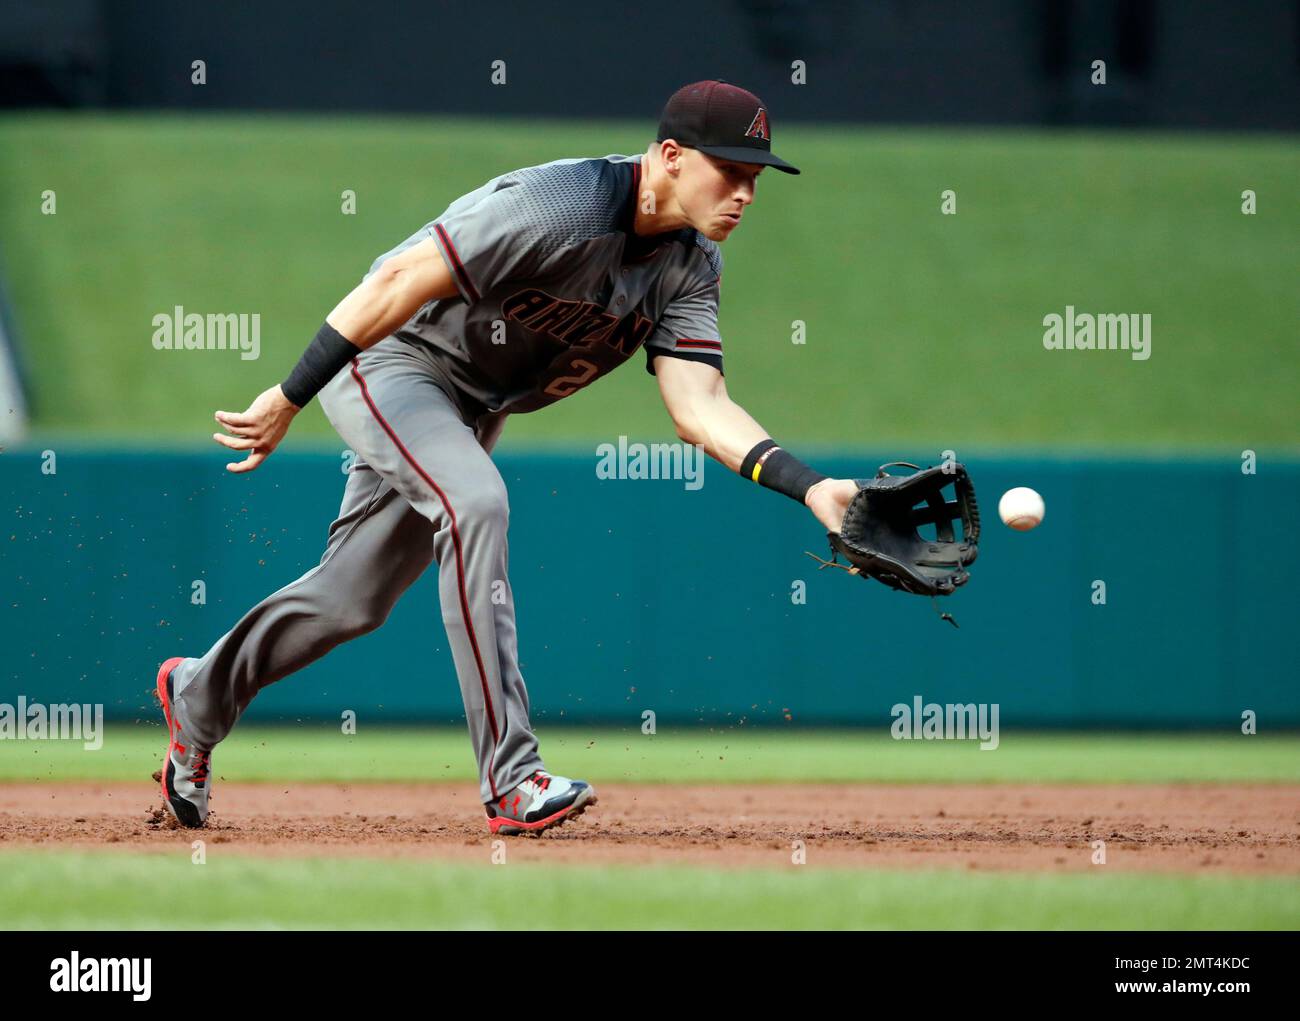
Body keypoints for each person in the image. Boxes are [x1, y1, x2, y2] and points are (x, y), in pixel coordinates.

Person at [155, 80, 858, 836]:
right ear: (671, 157)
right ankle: (513, 780)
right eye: (733, 170)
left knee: (351, 599)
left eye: (756, 177)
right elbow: (394, 280)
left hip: (469, 408)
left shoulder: (692, 266)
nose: (747, 192)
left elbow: (701, 408)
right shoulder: (560, 205)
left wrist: (812, 489)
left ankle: (197, 694)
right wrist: (290, 396)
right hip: (394, 364)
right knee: (476, 503)